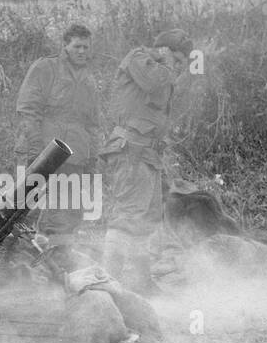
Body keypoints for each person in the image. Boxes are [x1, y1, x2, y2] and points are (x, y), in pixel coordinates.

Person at [100, 29, 192, 291]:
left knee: (147, 220)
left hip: (148, 155)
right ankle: (107, 283)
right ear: (163, 50)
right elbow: (152, 82)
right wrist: (168, 65)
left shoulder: (162, 70)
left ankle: (142, 283)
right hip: (132, 150)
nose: (178, 68)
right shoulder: (139, 57)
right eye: (176, 59)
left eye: (182, 64)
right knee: (127, 216)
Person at [13, 23, 102, 260]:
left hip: (76, 156)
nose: (82, 51)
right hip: (44, 151)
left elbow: (92, 124)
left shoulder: (89, 80)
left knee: (68, 213)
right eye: (77, 46)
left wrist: (92, 159)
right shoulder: (46, 67)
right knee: (23, 208)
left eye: (86, 47)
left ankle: (59, 261)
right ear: (65, 45)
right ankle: (9, 261)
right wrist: (35, 150)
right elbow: (28, 109)